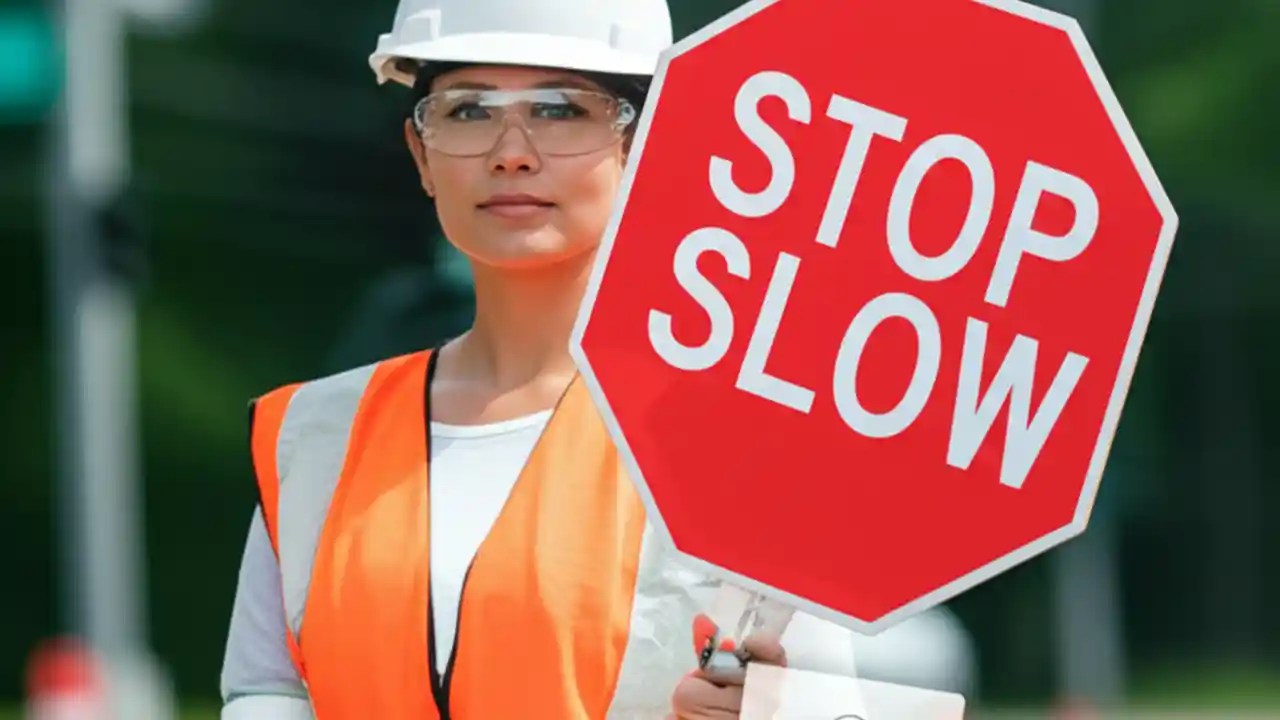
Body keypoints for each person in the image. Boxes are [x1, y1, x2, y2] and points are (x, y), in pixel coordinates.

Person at [218, 1, 863, 717]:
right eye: (467, 111)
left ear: (648, 140)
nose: (512, 150)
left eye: (561, 108)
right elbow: (266, 692)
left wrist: (771, 708)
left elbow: (832, 703)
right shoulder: (316, 435)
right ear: (420, 153)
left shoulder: (735, 435)